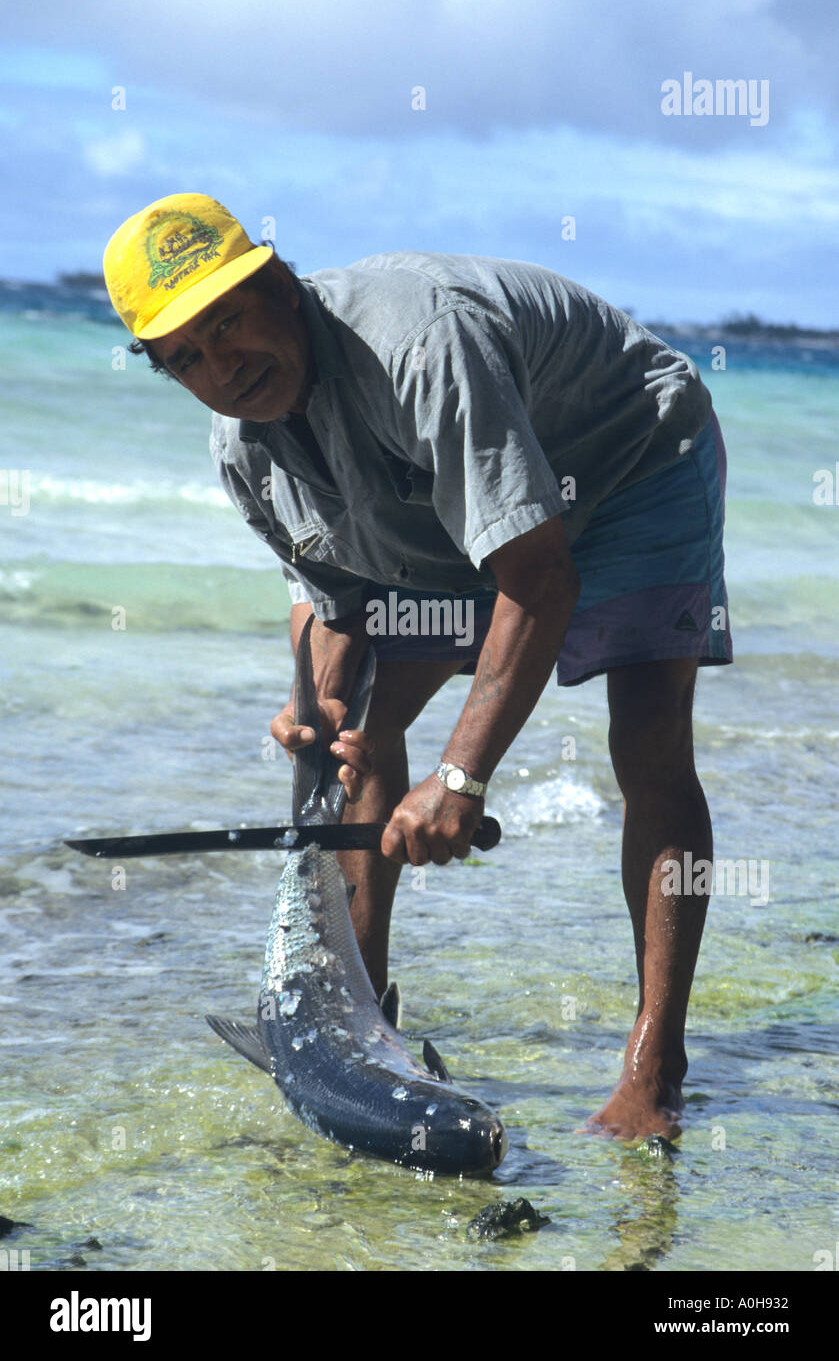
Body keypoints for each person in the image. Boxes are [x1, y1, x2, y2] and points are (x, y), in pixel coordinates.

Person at [103, 192, 733, 1140]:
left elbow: (537, 574)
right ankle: (357, 1018)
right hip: (473, 516)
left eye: (227, 323)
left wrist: (459, 777)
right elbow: (334, 603)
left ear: (278, 283)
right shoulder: (244, 451)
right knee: (354, 730)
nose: (222, 367)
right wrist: (310, 708)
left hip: (633, 456)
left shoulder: (417, 345)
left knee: (648, 748)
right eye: (185, 357)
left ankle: (656, 1069)